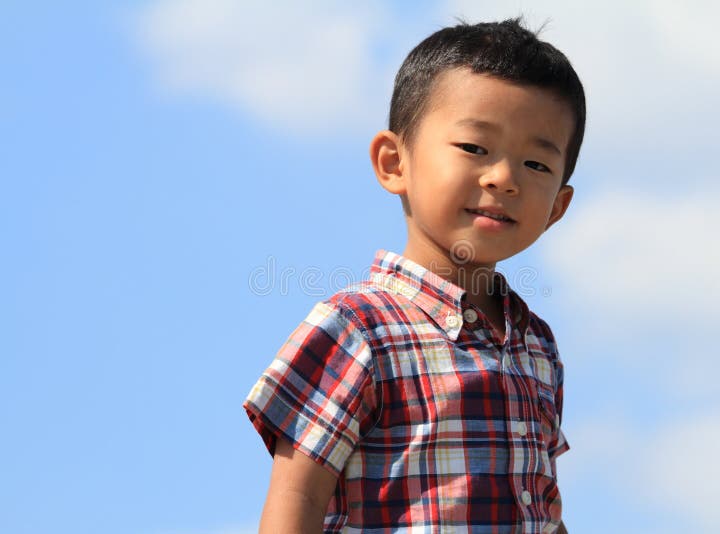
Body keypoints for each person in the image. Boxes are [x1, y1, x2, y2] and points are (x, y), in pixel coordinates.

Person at [243, 17, 585, 533]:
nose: (504, 178)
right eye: (475, 148)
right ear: (393, 162)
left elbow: (543, 510)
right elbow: (296, 500)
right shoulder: (356, 328)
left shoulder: (537, 346)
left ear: (557, 206)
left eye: (537, 164)